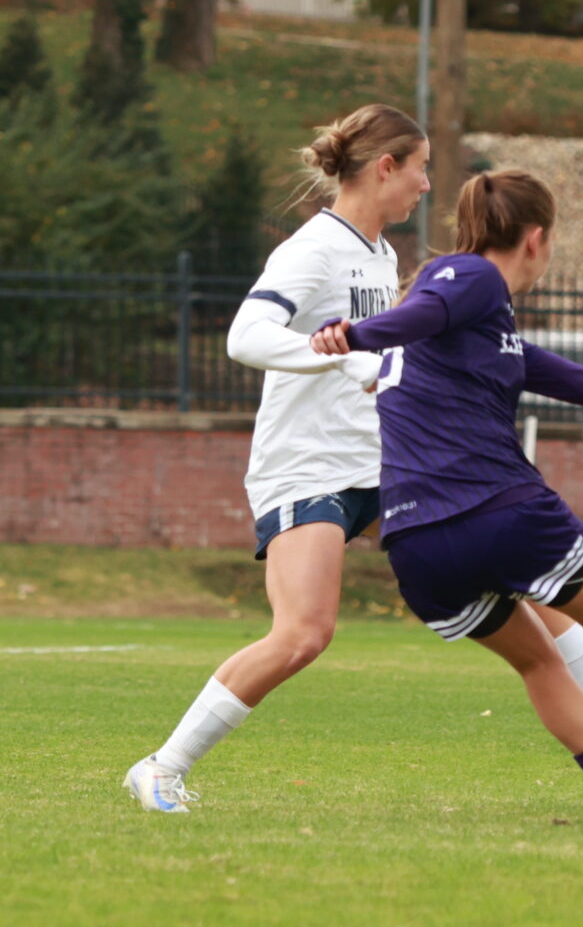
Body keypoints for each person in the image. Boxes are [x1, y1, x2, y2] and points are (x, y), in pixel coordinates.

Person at [307, 169, 583, 823]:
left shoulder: (489, 337)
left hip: (416, 545)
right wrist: (358, 334)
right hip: (502, 511)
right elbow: (424, 310)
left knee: (541, 664)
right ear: (536, 238)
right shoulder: (469, 275)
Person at [122, 104, 431, 814]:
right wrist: (341, 359)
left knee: (480, 560)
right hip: (307, 469)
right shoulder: (313, 249)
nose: (425, 185)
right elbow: (245, 337)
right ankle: (161, 767)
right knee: (302, 635)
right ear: (385, 167)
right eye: (420, 169)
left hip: (376, 466)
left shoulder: (382, 255)